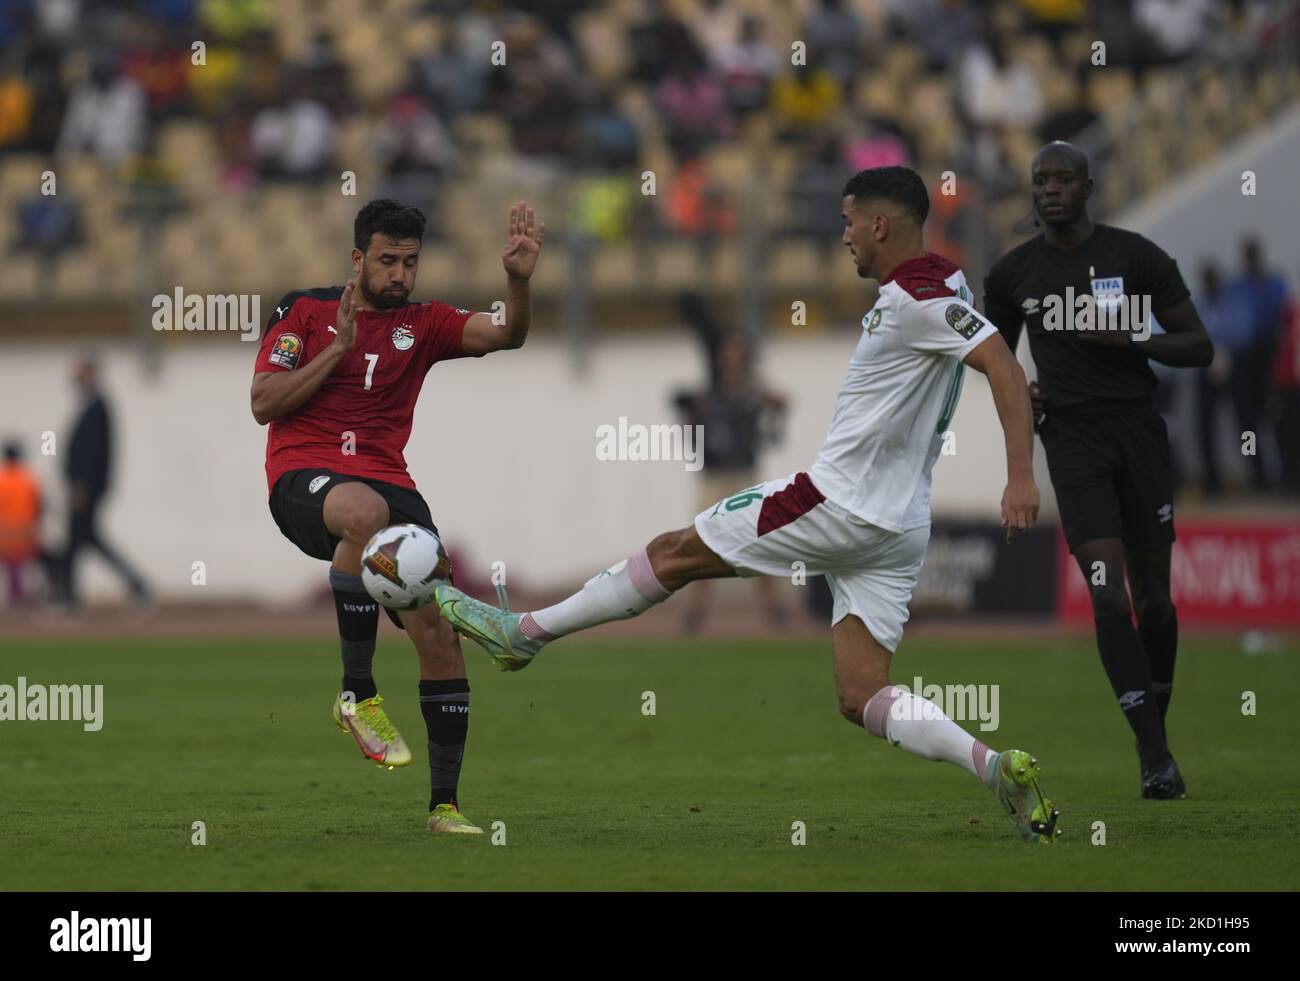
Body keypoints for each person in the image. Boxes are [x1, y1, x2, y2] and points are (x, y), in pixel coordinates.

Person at [436, 167, 1063, 844]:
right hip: (900, 524)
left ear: (880, 225)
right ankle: (994, 766)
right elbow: (993, 354)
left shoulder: (917, 299)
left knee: (674, 552)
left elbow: (1004, 366)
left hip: (838, 501)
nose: (844, 236)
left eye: (850, 221)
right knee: (861, 693)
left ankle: (524, 634)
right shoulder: (946, 282)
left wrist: (1020, 477)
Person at [250, 198, 544, 835]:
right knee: (365, 510)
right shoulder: (303, 311)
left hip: (389, 482)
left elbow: (508, 335)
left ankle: (445, 808)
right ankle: (357, 693)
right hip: (305, 476)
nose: (400, 274)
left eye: (410, 262)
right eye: (388, 260)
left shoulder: (425, 323)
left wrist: (517, 282)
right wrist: (338, 350)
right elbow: (263, 402)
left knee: (438, 631)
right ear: (358, 259)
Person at [983, 142, 1213, 799]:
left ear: (1087, 187)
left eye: (1064, 179)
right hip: (1073, 441)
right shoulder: (1012, 274)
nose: (1051, 189)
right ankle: (1156, 757)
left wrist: (1135, 338)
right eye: (1041, 180)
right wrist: (1023, 391)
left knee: (1154, 599)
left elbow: (1199, 345)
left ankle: (1151, 732)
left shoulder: (1135, 257)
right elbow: (994, 359)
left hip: (1137, 432)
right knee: (1109, 591)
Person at [674, 330, 789, 631]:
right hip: (715, 476)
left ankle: (774, 608)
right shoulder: (711, 393)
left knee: (759, 539)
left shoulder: (753, 393)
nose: (732, 359)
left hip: (743, 474)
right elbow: (691, 426)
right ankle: (696, 610)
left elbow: (773, 432)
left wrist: (775, 410)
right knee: (703, 540)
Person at [58, 359, 150, 607]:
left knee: (77, 540)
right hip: (85, 488)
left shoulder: (98, 407)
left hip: (86, 489)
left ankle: (68, 597)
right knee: (85, 539)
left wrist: (82, 486)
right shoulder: (91, 406)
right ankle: (135, 584)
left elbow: (93, 452)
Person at [0, 440, 43, 605]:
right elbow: (39, 505)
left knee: (12, 565)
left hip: (5, 531)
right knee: (18, 565)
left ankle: (16, 595)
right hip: (25, 530)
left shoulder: (2, 480)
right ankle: (20, 594)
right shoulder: (29, 478)